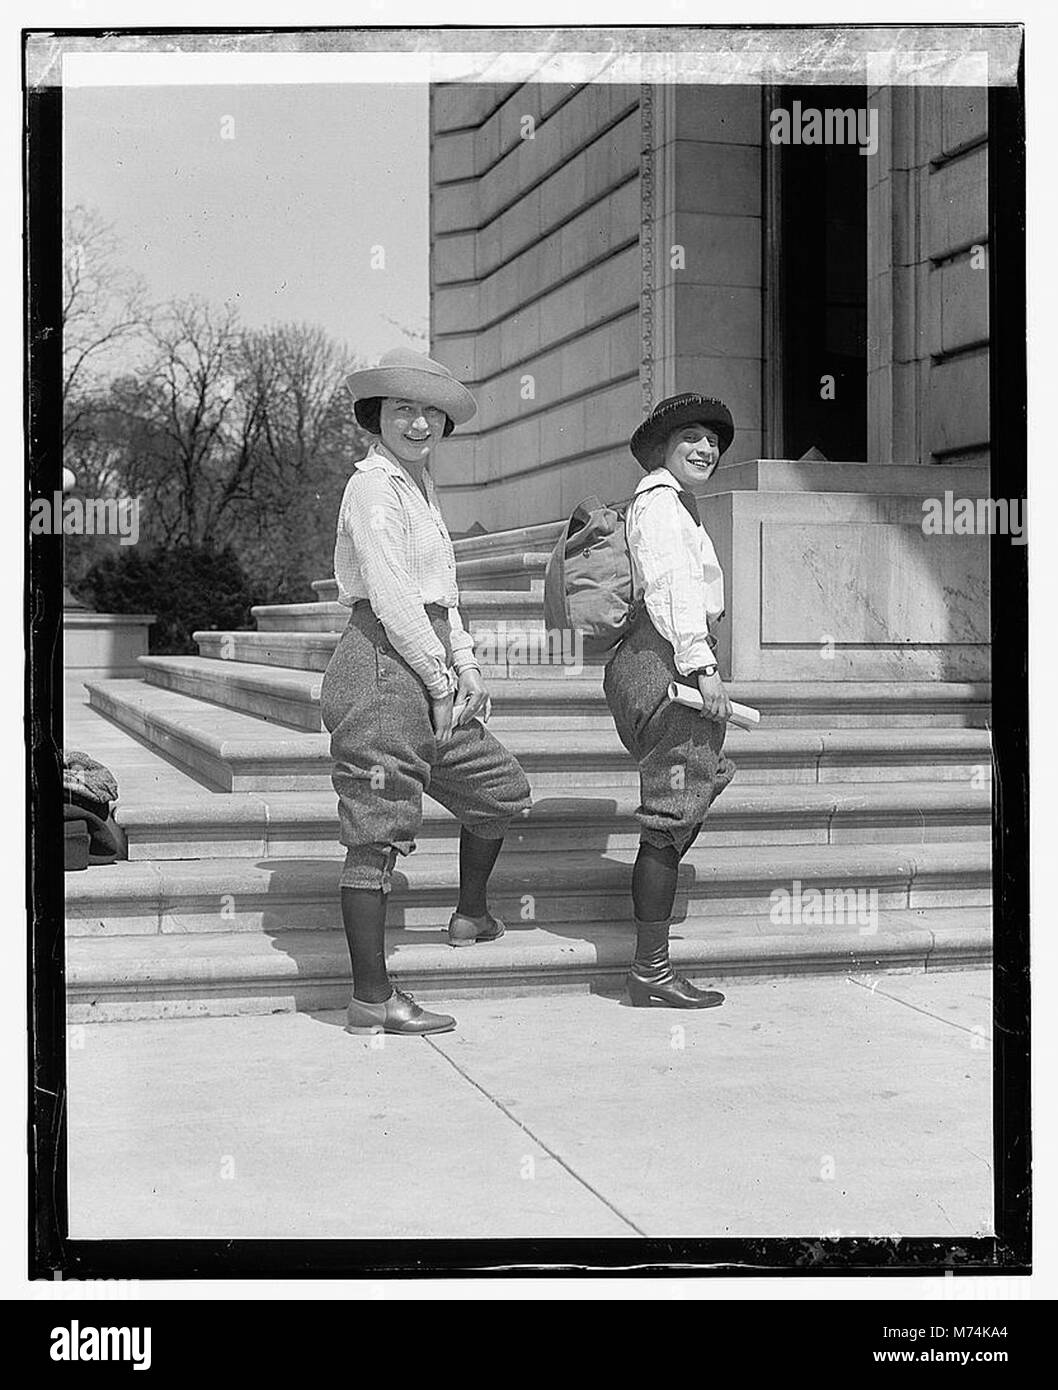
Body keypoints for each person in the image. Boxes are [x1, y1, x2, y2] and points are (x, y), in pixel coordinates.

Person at [321, 348, 532, 1036]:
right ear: (376, 418)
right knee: (376, 835)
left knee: (498, 790)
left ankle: (471, 913)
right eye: (402, 410)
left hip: (425, 661)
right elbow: (391, 596)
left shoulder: (418, 483)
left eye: (429, 411)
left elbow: (444, 597)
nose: (417, 423)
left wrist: (465, 666)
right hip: (383, 666)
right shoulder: (374, 486)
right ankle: (372, 999)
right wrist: (439, 680)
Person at [603, 393, 738, 1009]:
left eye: (712, 440)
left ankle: (650, 965)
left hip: (658, 662)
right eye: (691, 437)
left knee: (690, 791)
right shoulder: (660, 504)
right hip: (667, 665)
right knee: (668, 815)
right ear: (662, 447)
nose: (705, 448)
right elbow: (674, 590)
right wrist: (703, 664)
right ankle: (650, 972)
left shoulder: (669, 503)